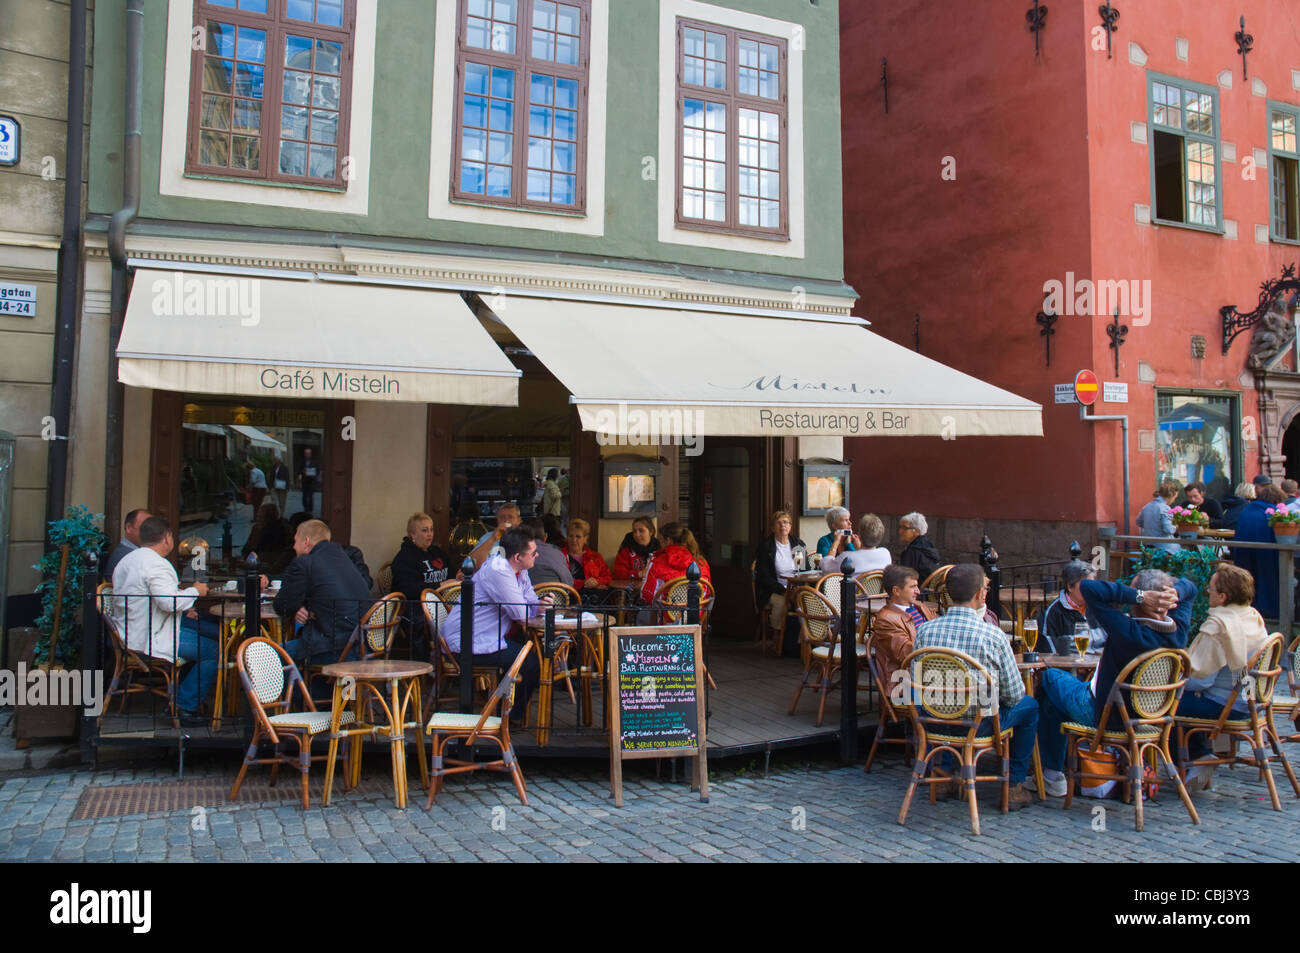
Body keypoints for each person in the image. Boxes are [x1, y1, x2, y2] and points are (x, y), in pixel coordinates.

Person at [1033, 569, 1192, 798]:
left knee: (1050, 677)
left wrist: (1139, 596)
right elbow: (1191, 587)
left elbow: (1089, 588)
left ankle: (1050, 773)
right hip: (1153, 719)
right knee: (1053, 703)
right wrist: (1174, 593)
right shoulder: (1179, 630)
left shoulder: (1126, 630)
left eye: (1136, 591)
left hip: (1108, 718)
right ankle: (1053, 773)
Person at [912, 563, 1038, 809]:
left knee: (948, 701)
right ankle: (1014, 786)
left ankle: (944, 777)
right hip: (980, 725)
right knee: (1030, 706)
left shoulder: (925, 631)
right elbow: (1014, 696)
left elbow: (917, 682)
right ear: (981, 594)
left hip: (935, 721)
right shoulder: (993, 636)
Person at [110, 516, 219, 726]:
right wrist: (195, 591)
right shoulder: (155, 564)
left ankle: (180, 701)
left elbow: (158, 597)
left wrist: (185, 604)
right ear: (167, 538)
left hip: (133, 631)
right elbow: (169, 602)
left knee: (206, 635)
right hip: (150, 636)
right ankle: (185, 707)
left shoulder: (129, 560)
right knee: (213, 650)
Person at [1177, 563, 1272, 790]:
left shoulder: (1220, 625)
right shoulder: (1253, 615)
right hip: (1252, 701)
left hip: (1226, 705)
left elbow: (1200, 679)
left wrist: (1167, 678)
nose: (1206, 592)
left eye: (1211, 589)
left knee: (1163, 705)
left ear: (1222, 596)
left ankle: (1198, 757)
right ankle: (1201, 756)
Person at [443, 528, 546, 720]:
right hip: (468, 642)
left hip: (487, 637)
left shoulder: (518, 570)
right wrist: (534, 608)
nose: (537, 555)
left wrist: (539, 605)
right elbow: (520, 613)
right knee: (530, 664)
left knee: (528, 655)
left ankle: (504, 711)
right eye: (533, 553)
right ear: (517, 557)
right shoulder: (498, 571)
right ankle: (507, 718)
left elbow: (529, 598)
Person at [274, 519, 375, 669]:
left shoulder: (306, 562)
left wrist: (298, 607)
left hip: (335, 648)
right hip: (363, 645)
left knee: (266, 658)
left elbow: (282, 605)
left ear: (306, 541)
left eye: (295, 541)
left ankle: (297, 692)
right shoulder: (343, 557)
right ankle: (311, 691)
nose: (294, 547)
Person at [871, 564, 934, 695]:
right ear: (897, 591)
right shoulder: (886, 619)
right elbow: (906, 653)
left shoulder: (918, 606)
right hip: (905, 682)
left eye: (917, 586)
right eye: (912, 587)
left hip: (929, 671)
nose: (918, 591)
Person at [1232, 483, 1287, 619]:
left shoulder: (1247, 510)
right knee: (1267, 585)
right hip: (1265, 554)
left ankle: (1246, 612)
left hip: (1243, 553)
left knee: (1246, 584)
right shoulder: (1272, 513)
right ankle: (1269, 617)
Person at [753, 510, 807, 639]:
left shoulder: (797, 545)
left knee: (808, 600)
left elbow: (803, 570)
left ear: (790, 526)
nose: (782, 525)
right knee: (782, 603)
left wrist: (797, 588)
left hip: (795, 587)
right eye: (778, 523)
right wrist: (784, 590)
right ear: (772, 528)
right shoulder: (766, 547)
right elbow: (764, 576)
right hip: (773, 590)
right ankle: (779, 636)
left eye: (785, 522)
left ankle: (804, 638)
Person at [1039, 559, 1105, 655]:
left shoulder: (1101, 609)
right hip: (1070, 668)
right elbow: (1049, 655)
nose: (1091, 589)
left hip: (1102, 666)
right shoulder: (1053, 614)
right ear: (1070, 586)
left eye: (1093, 585)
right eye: (1086, 585)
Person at [641, 522, 711, 604]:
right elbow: (707, 593)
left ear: (668, 540)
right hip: (695, 614)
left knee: (641, 613)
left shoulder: (657, 562)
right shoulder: (701, 562)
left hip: (664, 614)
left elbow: (646, 595)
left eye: (661, 540)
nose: (660, 543)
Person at [390, 512, 452, 601]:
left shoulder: (438, 552)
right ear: (412, 534)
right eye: (424, 530)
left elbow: (450, 574)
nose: (430, 534)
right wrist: (440, 585)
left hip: (444, 602)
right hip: (417, 607)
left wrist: (457, 577)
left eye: (431, 529)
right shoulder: (404, 557)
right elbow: (408, 589)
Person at [519, 517, 574, 587]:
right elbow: (569, 583)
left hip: (522, 597)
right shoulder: (558, 554)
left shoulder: (515, 554)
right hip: (555, 597)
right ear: (545, 537)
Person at [241, 502, 294, 573]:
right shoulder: (258, 528)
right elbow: (246, 551)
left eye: (260, 517)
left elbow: (263, 555)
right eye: (258, 516)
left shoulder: (277, 530)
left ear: (268, 518)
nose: (258, 519)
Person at [467, 502, 521, 569]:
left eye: (511, 517)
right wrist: (493, 539)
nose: (506, 520)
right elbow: (469, 564)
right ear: (497, 520)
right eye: (502, 517)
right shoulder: (487, 537)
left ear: (519, 521)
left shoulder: (525, 539)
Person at [563, 518, 611, 589]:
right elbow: (561, 579)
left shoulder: (595, 557)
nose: (573, 540)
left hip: (594, 595)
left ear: (586, 538)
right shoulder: (560, 556)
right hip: (570, 595)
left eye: (578, 536)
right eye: (570, 536)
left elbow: (608, 577)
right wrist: (584, 583)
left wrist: (597, 582)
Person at [1136, 479, 1180, 553]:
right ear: (1171, 496)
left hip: (1148, 545)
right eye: (1175, 498)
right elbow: (1168, 530)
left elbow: (1139, 522)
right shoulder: (1165, 508)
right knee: (1185, 555)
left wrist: (1152, 525)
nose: (1174, 501)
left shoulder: (1147, 506)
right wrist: (1176, 527)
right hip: (1164, 547)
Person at [105, 508, 151, 578]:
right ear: (129, 528)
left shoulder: (135, 552)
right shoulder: (125, 554)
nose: (150, 532)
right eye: (145, 527)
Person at [613, 515, 659, 582]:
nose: (637, 534)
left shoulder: (658, 549)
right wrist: (638, 574)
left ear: (651, 532)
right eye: (634, 531)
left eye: (641, 531)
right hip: (632, 589)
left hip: (654, 589)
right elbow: (618, 573)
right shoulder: (626, 550)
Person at [896, 512, 940, 581]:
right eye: (900, 527)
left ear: (917, 531)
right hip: (932, 589)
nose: (900, 531)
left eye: (904, 528)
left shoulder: (912, 552)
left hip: (919, 590)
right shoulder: (929, 546)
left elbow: (905, 580)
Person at [298, 447, 320, 514]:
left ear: (311, 454)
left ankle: (310, 509)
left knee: (310, 496)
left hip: (312, 482)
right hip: (304, 481)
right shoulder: (302, 461)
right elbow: (299, 470)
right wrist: (303, 472)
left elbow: (318, 470)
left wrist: (314, 474)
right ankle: (305, 507)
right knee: (304, 496)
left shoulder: (314, 462)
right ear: (304, 454)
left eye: (308, 453)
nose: (307, 455)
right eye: (306, 453)